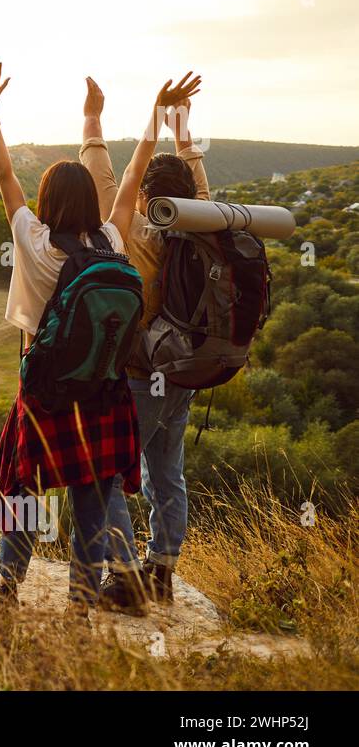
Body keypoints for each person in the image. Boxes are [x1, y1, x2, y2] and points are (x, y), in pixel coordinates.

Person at [0, 61, 201, 612]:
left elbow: (6, 177)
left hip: (44, 391)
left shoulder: (33, 241)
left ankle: (7, 583)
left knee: (23, 488)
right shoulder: (109, 240)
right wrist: (155, 119)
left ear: (47, 201)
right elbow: (131, 179)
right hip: (102, 391)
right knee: (90, 496)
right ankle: (81, 598)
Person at [79, 78, 210, 607]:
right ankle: (162, 572)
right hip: (187, 367)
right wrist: (179, 124)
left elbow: (100, 170)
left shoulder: (130, 228)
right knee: (166, 473)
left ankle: (126, 576)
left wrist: (92, 116)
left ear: (148, 195)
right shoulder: (205, 222)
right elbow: (194, 175)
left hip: (137, 371)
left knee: (105, 474)